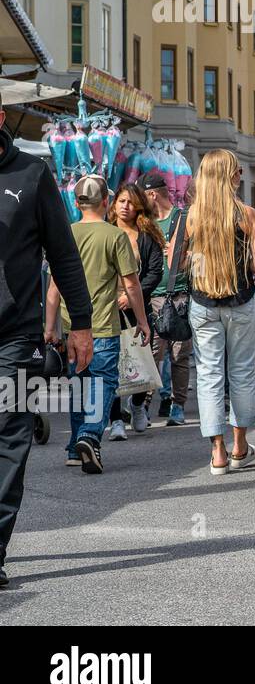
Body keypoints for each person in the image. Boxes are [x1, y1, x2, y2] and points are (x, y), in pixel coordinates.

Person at [1, 108, 92, 586]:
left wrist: (82, 325)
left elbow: (63, 254)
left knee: (9, 439)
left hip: (17, 336)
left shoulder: (32, 174)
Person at [45, 176, 151, 474]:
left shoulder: (65, 234)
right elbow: (131, 285)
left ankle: (74, 449)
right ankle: (90, 436)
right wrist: (142, 322)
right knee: (104, 384)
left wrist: (49, 327)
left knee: (79, 386)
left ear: (76, 203)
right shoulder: (115, 236)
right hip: (103, 326)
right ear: (106, 202)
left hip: (70, 328)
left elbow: (53, 287)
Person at [180, 151, 255, 476]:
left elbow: (176, 264)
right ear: (229, 176)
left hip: (203, 303)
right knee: (242, 373)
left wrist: (199, 261)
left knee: (209, 376)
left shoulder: (191, 217)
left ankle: (217, 452)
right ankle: (240, 445)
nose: (241, 175)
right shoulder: (246, 215)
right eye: (238, 171)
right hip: (241, 301)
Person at [106, 184, 165, 438]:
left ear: (138, 205)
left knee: (143, 357)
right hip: (107, 306)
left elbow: (154, 272)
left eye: (130, 202)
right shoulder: (106, 231)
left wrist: (131, 298)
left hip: (137, 305)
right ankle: (116, 419)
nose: (125, 206)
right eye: (121, 201)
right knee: (111, 362)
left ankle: (138, 403)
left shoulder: (145, 235)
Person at [139, 170, 191, 426]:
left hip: (180, 294)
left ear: (152, 194)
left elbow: (198, 252)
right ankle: (144, 404)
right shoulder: (144, 224)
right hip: (153, 297)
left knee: (180, 355)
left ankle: (178, 406)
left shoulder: (183, 218)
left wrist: (185, 254)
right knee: (152, 353)